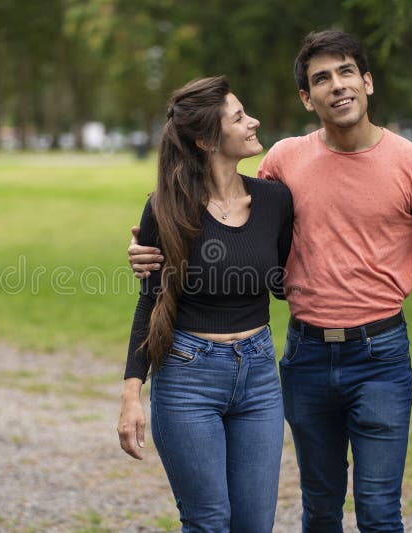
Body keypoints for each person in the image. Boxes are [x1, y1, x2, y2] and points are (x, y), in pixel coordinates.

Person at [128, 31, 412, 533]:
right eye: (321, 79)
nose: (338, 86)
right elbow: (232, 224)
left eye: (347, 72)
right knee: (319, 507)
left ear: (368, 81)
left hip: (381, 356)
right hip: (304, 358)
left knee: (379, 511)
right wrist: (153, 249)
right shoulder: (283, 162)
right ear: (306, 98)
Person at [117, 76, 294, 532]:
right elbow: (150, 302)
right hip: (186, 376)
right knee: (209, 521)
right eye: (238, 117)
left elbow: (286, 284)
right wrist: (130, 394)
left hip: (257, 375)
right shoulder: (166, 209)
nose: (253, 121)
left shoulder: (275, 200)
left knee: (255, 523)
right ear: (206, 140)